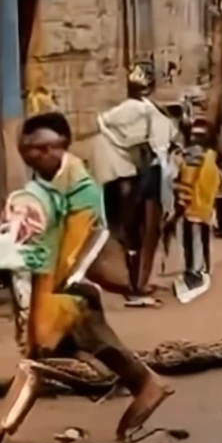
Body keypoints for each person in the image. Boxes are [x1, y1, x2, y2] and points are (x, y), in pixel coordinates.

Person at [0, 112, 171, 443]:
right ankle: (140, 386)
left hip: (66, 292)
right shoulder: (44, 187)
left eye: (42, 148)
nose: (33, 154)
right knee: (75, 355)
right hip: (54, 287)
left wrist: (66, 281)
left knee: (37, 363)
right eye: (29, 148)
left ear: (60, 146)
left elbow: (90, 239)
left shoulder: (80, 187)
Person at [91, 62, 176, 295]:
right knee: (145, 230)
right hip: (149, 173)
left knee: (132, 231)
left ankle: (135, 282)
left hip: (132, 173)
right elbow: (161, 146)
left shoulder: (131, 112)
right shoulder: (143, 110)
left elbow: (103, 122)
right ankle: (139, 283)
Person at [173, 118, 221, 304]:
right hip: (201, 205)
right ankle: (201, 268)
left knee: (190, 239)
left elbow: (181, 179)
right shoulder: (209, 156)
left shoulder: (188, 156)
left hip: (190, 204)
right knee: (200, 238)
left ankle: (193, 269)